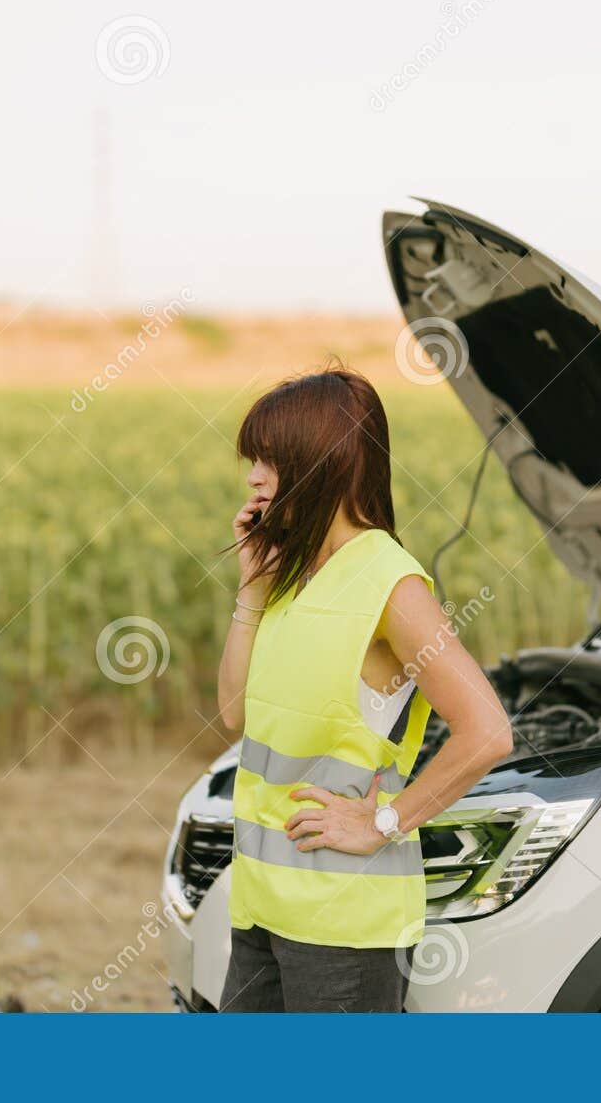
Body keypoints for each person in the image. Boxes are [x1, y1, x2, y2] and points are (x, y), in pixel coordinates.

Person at [216, 367, 514, 1012]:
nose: (254, 477)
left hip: (344, 925)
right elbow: (234, 713)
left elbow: (488, 733)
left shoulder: (391, 585)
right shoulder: (293, 574)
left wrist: (382, 822)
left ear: (322, 463)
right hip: (263, 909)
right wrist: (251, 589)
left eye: (270, 459)